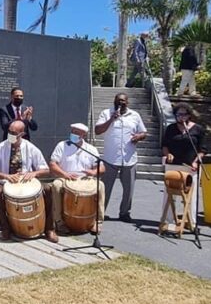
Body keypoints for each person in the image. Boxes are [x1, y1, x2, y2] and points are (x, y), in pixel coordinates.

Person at [0, 120, 58, 243]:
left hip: (27, 182)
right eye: (9, 131)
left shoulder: (30, 147)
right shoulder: (0, 147)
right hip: (6, 181)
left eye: (14, 133)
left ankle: (49, 229)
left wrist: (34, 173)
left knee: (47, 189)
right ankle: (5, 228)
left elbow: (46, 169)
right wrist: (6, 176)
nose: (10, 134)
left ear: (22, 134)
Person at [94, 93, 147, 222]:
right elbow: (97, 130)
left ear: (127, 102)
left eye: (123, 101)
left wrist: (139, 137)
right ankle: (100, 213)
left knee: (129, 189)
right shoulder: (106, 113)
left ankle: (124, 213)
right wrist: (111, 119)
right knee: (105, 188)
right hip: (110, 158)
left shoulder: (135, 115)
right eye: (118, 100)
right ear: (114, 101)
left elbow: (143, 132)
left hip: (129, 158)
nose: (120, 103)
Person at [49, 123, 106, 233]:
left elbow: (102, 167)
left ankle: (98, 222)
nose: (73, 134)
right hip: (66, 177)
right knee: (56, 185)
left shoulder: (91, 149)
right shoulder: (62, 145)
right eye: (72, 131)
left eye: (76, 132)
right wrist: (64, 174)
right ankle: (59, 221)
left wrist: (94, 172)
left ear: (83, 135)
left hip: (85, 179)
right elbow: (52, 164)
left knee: (101, 185)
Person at [161, 102, 206, 219]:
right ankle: (168, 220)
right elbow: (164, 145)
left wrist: (196, 161)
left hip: (190, 166)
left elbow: (202, 150)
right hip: (173, 165)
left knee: (191, 194)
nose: (181, 117)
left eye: (184, 114)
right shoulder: (171, 128)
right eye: (178, 115)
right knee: (169, 194)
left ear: (189, 115)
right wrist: (168, 154)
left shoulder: (198, 129)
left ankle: (191, 221)